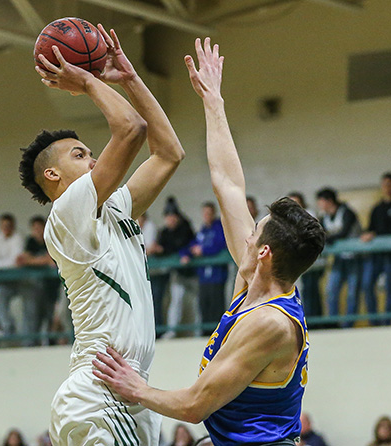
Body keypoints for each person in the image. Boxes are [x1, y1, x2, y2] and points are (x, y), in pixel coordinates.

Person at [93, 38, 325, 446]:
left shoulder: (270, 323)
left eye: (255, 232)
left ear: (265, 252)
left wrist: (134, 387)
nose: (247, 232)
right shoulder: (256, 278)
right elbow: (229, 185)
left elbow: (195, 406)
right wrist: (213, 101)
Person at [22, 24, 184, 446]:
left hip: (132, 392)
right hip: (97, 392)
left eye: (93, 153)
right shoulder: (67, 212)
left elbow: (169, 153)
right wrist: (89, 82)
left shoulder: (114, 208)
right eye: (80, 155)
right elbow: (130, 129)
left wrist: (130, 79)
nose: (93, 161)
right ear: (53, 175)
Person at [361, 172, 391, 325]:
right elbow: (370, 229)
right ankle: (374, 320)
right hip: (376, 254)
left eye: (389, 184)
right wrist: (368, 234)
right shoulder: (377, 208)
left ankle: (388, 321)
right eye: (384, 184)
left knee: (389, 287)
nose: (386, 188)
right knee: (367, 284)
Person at [317, 187, 362, 328]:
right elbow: (321, 233)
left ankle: (349, 324)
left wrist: (329, 238)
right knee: (331, 290)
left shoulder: (347, 212)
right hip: (339, 258)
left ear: (329, 201)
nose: (319, 205)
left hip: (354, 258)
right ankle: (333, 322)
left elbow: (344, 232)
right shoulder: (324, 218)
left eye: (321, 201)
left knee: (352, 293)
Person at [182, 202, 228, 335]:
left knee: (216, 308)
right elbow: (191, 246)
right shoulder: (202, 231)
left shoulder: (219, 228)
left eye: (209, 213)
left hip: (217, 277)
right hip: (203, 278)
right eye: (204, 213)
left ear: (214, 213)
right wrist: (186, 254)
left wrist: (204, 250)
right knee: (204, 307)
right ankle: (205, 336)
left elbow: (220, 245)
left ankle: (217, 337)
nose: (206, 216)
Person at [153, 198, 197, 339]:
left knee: (196, 303)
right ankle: (171, 331)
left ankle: (198, 332)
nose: (170, 220)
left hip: (192, 272)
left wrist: (185, 254)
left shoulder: (186, 228)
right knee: (175, 301)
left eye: (172, 217)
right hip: (178, 274)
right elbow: (163, 248)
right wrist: (159, 249)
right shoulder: (165, 232)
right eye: (168, 217)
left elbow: (188, 245)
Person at [16, 216, 59, 345]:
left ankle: (51, 343)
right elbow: (22, 260)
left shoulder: (51, 239)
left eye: (40, 228)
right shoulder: (30, 241)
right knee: (33, 317)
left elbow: (53, 260)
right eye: (35, 228)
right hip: (34, 287)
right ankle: (31, 344)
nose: (38, 231)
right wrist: (43, 260)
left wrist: (34, 260)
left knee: (51, 316)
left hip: (52, 287)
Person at [287, 193, 325, 321]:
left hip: (313, 260)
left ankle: (316, 320)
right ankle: (310, 318)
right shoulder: (287, 219)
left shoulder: (309, 215)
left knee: (312, 290)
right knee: (305, 291)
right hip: (300, 261)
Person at [0, 214, 25, 339]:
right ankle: (8, 329)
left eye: (8, 226)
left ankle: (28, 335)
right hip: (2, 281)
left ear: (13, 226)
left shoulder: (18, 238)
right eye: (3, 226)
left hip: (19, 281)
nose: (6, 228)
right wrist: (3, 264)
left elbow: (17, 262)